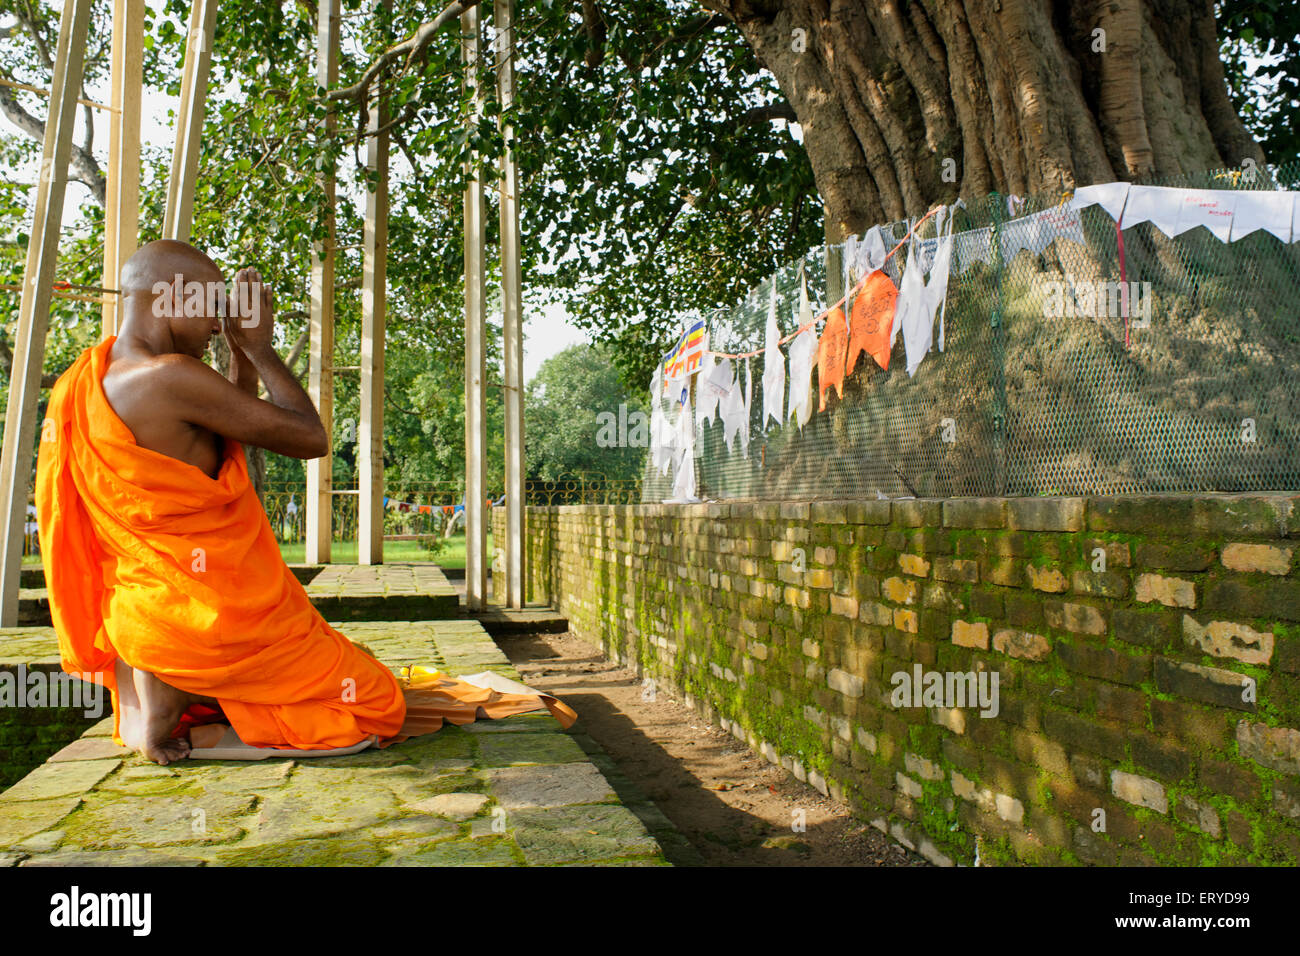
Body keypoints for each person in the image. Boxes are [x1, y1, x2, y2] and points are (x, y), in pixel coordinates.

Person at [35, 239, 406, 764]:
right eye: (212, 307)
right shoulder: (168, 375)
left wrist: (239, 361)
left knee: (337, 673)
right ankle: (200, 723)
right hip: (213, 614)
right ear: (177, 296)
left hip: (146, 610)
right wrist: (258, 347)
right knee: (374, 705)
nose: (217, 325)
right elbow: (309, 438)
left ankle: (165, 679)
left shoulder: (86, 381)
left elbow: (221, 434)